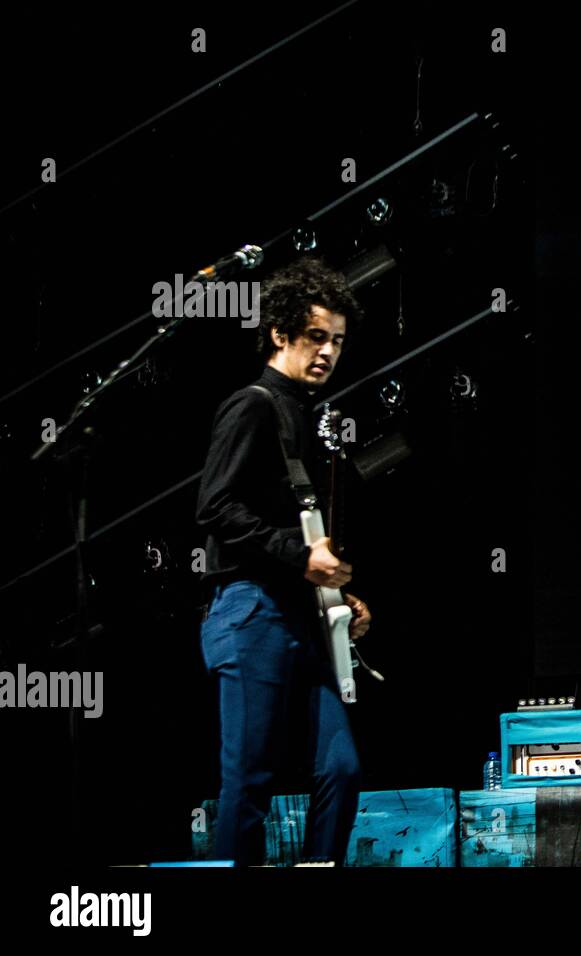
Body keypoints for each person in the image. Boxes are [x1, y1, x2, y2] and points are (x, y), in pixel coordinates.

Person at [195, 256, 372, 865]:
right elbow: (215, 509)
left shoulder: (304, 413)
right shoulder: (253, 405)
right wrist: (300, 560)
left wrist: (338, 599)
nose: (328, 352)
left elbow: (294, 532)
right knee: (249, 784)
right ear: (280, 333)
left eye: (338, 342)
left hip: (298, 615)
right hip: (250, 611)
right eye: (317, 337)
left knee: (341, 767)